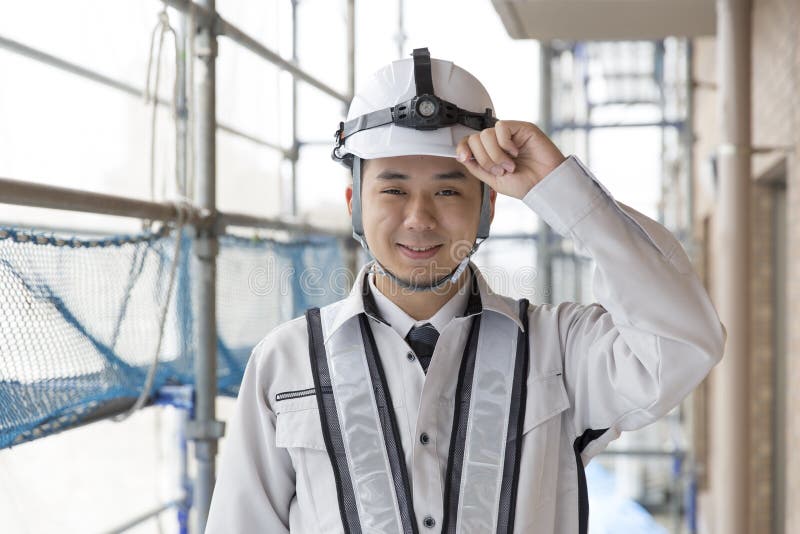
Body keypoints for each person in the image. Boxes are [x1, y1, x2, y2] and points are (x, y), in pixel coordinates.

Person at [205, 48, 725, 534]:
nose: (419, 218)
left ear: (489, 208)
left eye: (449, 190)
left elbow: (682, 345)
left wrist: (562, 189)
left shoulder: (558, 349)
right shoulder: (285, 363)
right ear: (353, 202)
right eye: (393, 188)